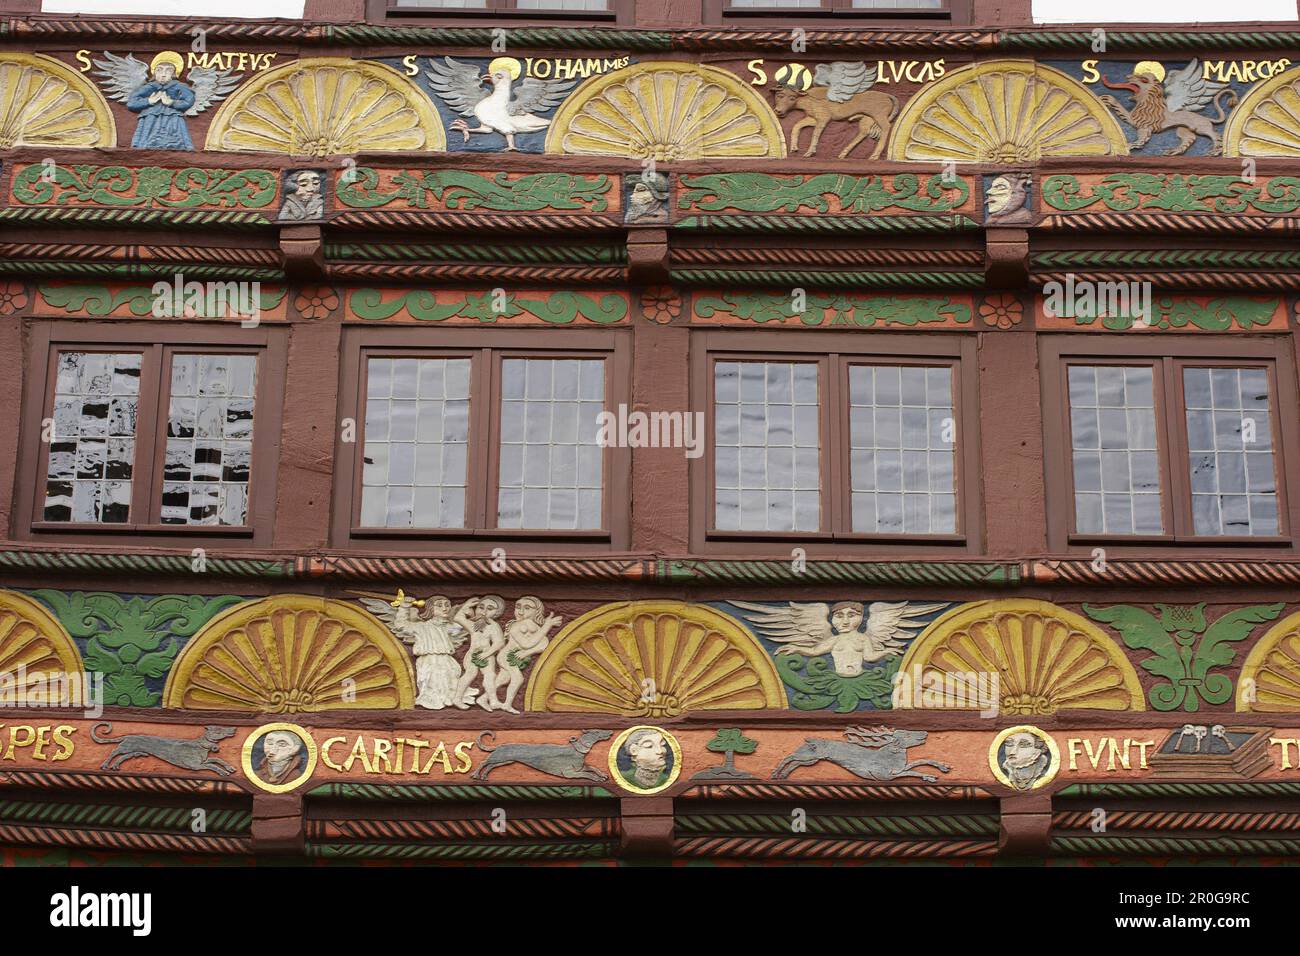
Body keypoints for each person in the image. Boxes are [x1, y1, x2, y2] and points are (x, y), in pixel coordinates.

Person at [126, 51, 197, 150]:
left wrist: (172, 102)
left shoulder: (179, 86)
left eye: (168, 71)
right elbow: (131, 103)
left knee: (176, 139)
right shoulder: (150, 87)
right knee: (146, 141)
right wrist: (149, 101)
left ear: (174, 73)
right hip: (150, 116)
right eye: (159, 70)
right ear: (154, 72)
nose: (163, 74)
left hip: (173, 116)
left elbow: (189, 100)